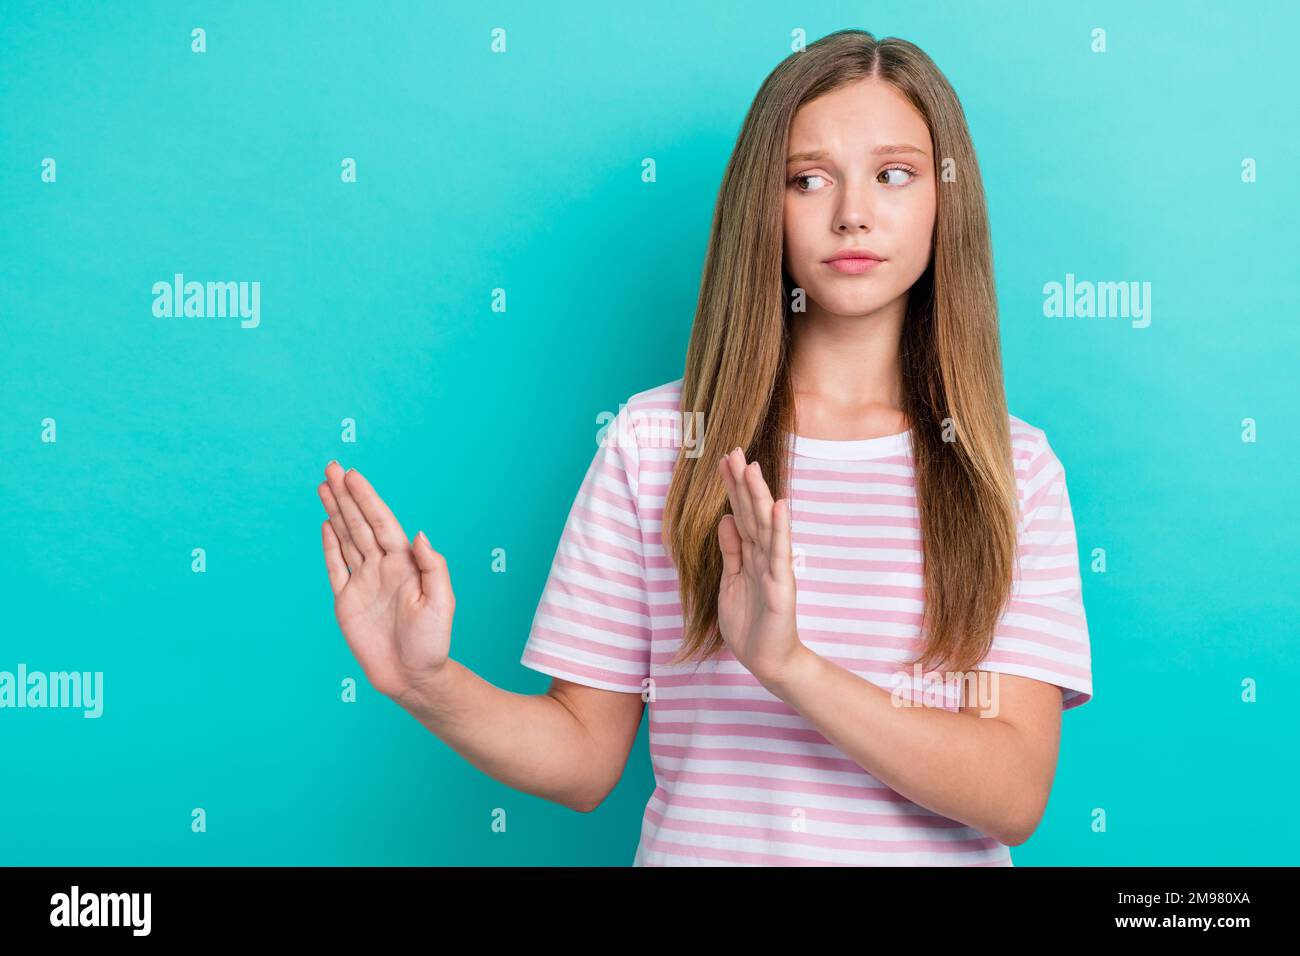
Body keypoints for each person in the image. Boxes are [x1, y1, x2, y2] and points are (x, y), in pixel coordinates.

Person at [316, 28, 1093, 866]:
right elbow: (583, 759)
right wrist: (426, 684)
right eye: (808, 179)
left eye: (894, 173)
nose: (853, 212)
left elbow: (1013, 793)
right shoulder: (657, 443)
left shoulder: (1009, 468)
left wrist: (790, 665)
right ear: (766, 204)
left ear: (947, 199)